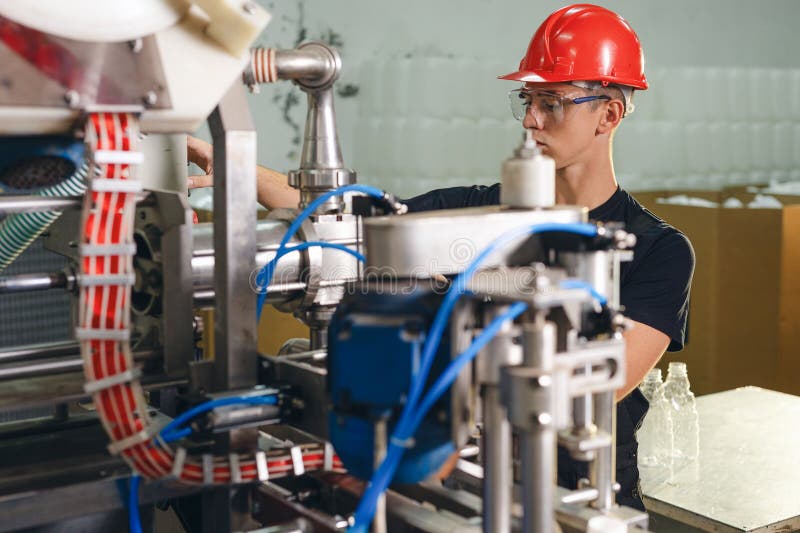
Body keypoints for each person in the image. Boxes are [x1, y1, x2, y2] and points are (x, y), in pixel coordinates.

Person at [188, 4, 694, 511]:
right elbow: (348, 225)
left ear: (609, 114)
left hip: (586, 496)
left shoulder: (659, 249)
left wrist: (442, 347)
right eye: (527, 100)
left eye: (552, 102)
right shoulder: (476, 213)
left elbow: (604, 385)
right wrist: (238, 170)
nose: (531, 120)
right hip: (480, 486)